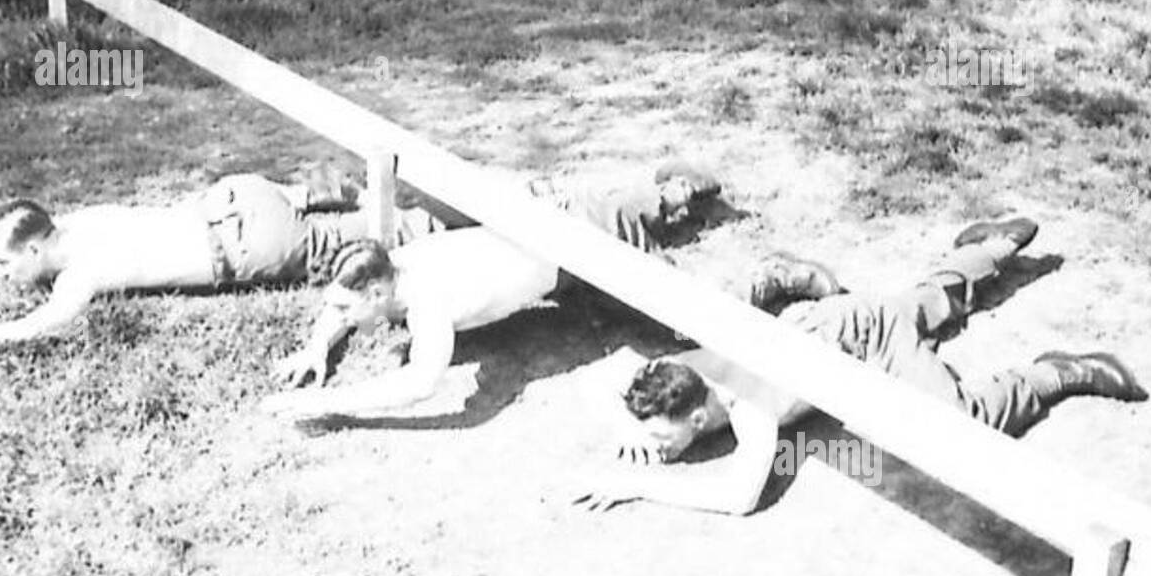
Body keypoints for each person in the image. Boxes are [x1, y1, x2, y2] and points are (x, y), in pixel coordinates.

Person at [576, 216, 1148, 515]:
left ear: (698, 418)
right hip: (827, 325)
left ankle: (1056, 373)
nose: (657, 443)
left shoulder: (747, 406)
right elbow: (628, 392)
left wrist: (640, 484)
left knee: (962, 423)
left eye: (662, 435)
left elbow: (739, 497)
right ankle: (992, 245)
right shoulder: (672, 372)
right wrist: (633, 433)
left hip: (862, 344)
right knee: (924, 303)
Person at [0, 160, 727, 365]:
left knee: (395, 242)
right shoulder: (73, 223)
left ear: (41, 246)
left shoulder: (80, 275)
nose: (1, 278)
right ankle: (641, 194)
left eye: (6, 266)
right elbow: (18, 263)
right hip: (241, 197)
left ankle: (647, 203)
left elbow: (34, 324)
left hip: (254, 247)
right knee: (398, 202)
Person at [260, 227, 838, 420]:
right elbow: (341, 297)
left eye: (344, 310)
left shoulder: (426, 301)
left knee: (687, 325)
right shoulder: (392, 266)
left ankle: (771, 278)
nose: (335, 317)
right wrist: (317, 348)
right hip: (546, 257)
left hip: (575, 261)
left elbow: (421, 384)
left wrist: (321, 405)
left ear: (380, 291)